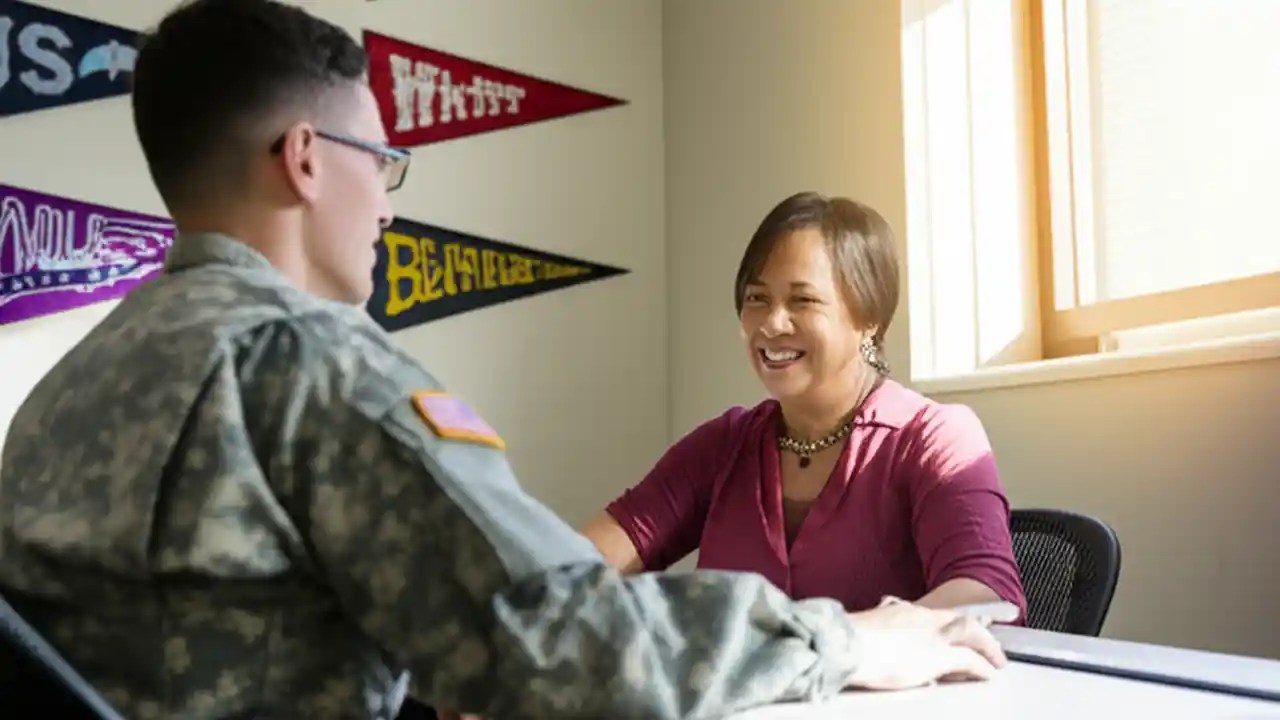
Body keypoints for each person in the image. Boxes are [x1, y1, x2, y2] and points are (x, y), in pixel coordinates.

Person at [0, 2, 1008, 719]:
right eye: (380, 163)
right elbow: (566, 644)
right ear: (306, 160)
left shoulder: (65, 390)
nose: (388, 203)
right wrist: (852, 641)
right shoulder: (319, 371)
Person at [584, 192, 1028, 618]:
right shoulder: (724, 445)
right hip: (752, 698)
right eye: (757, 298)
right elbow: (581, 564)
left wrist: (836, 641)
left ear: (868, 319)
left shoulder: (934, 437)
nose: (772, 323)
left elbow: (985, 597)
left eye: (803, 300)